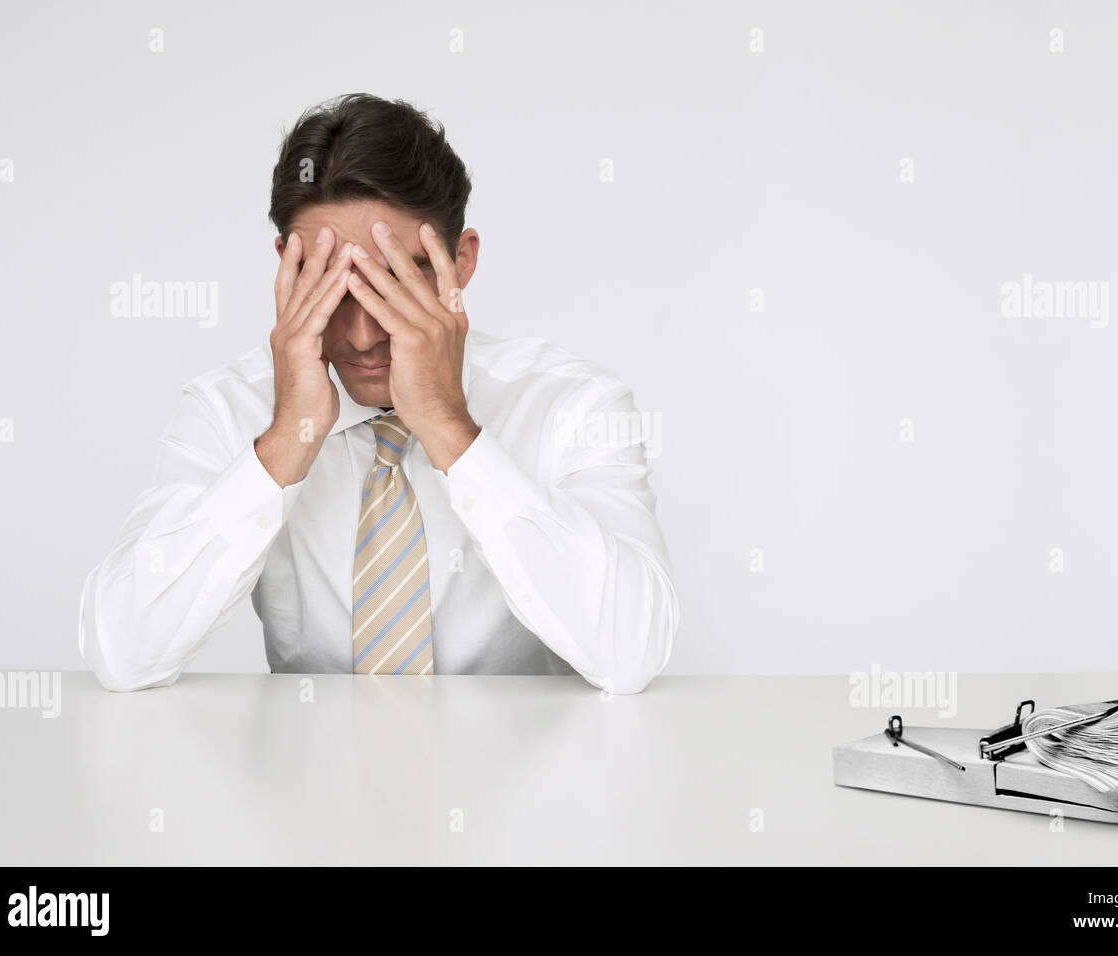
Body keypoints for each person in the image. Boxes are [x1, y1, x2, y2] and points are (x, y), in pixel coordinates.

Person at [78, 93, 679, 694]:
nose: (363, 336)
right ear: (286, 268)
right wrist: (288, 439)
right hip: (306, 780)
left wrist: (448, 427)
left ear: (461, 261)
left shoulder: (571, 405)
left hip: (521, 779)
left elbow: (630, 653)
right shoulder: (229, 408)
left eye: (391, 282)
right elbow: (123, 652)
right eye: (329, 286)